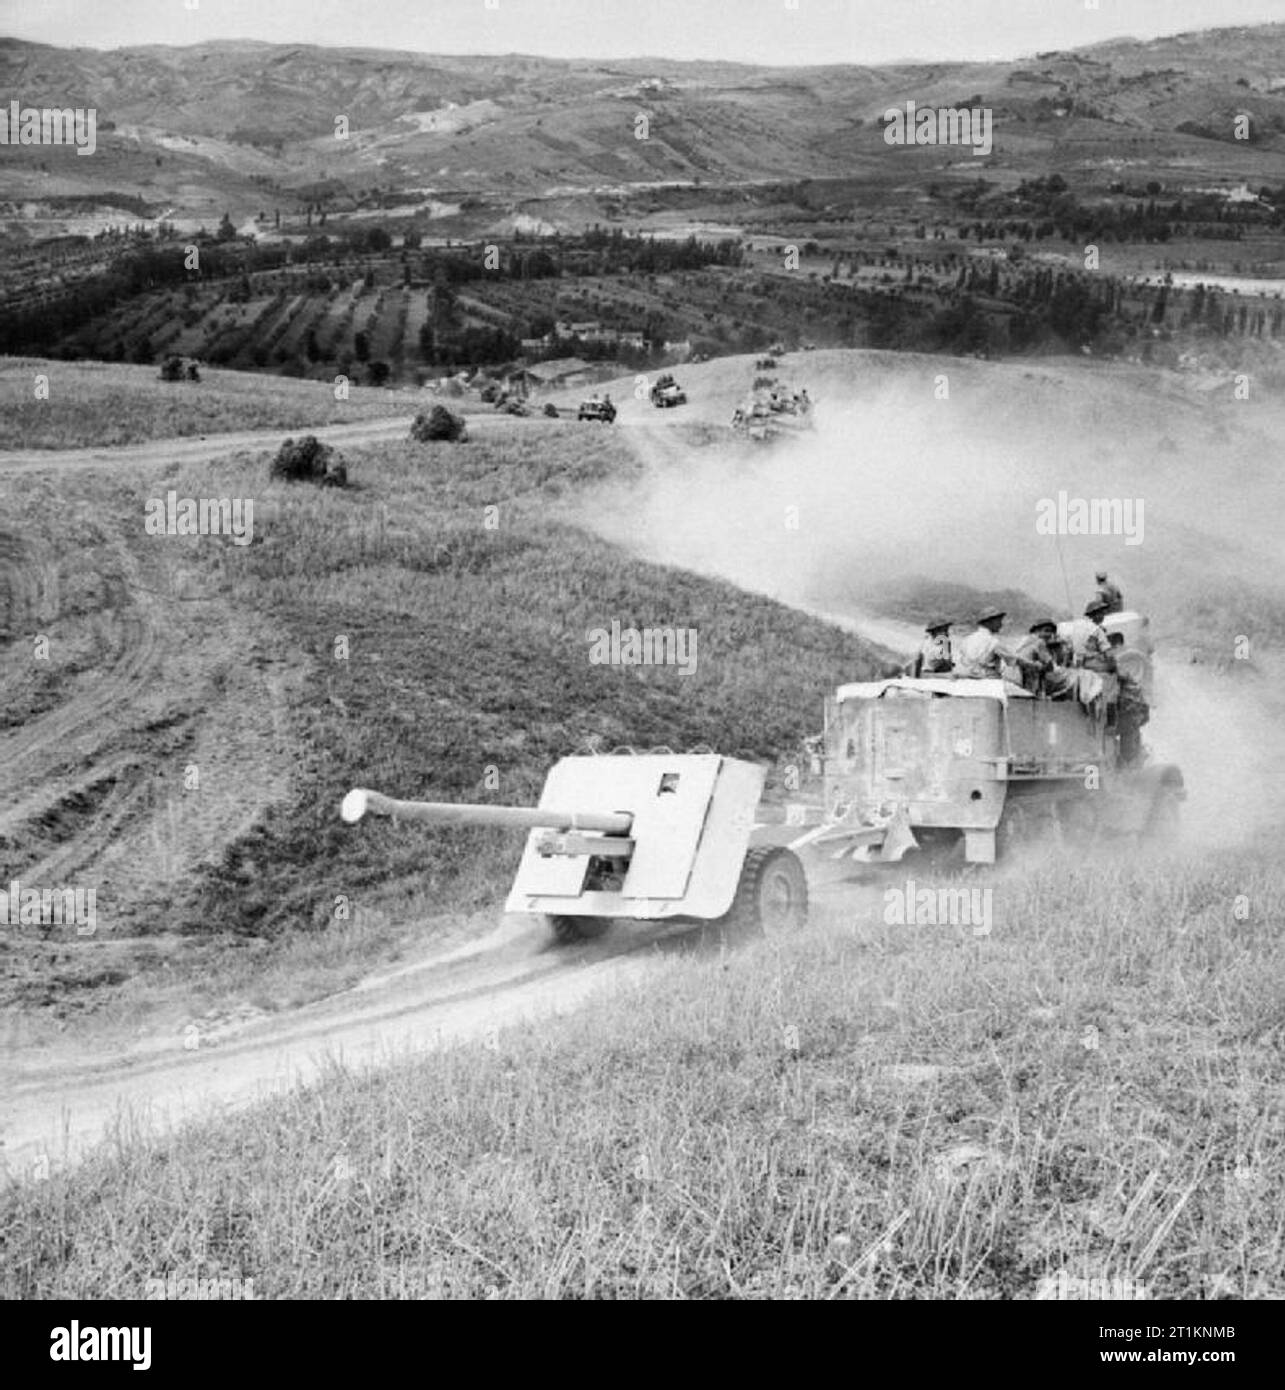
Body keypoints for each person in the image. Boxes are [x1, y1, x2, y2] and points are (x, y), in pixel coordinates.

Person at [1109, 631, 1149, 765]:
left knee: (1128, 733)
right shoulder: (1136, 655)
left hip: (1123, 705)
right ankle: (1130, 763)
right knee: (1131, 731)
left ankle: (1128, 763)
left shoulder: (1113, 658)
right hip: (1132, 704)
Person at [1014, 619, 1073, 698]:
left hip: (1021, 676)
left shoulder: (1025, 641)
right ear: (1037, 631)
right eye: (1046, 631)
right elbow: (1050, 665)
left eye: (1051, 632)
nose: (1049, 634)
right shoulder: (1039, 642)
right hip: (1031, 676)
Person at [953, 607, 1014, 680]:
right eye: (998, 621)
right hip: (987, 679)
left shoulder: (967, 639)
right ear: (991, 622)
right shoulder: (993, 642)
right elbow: (1011, 661)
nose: (1001, 624)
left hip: (966, 678)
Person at [1067, 598, 1117, 675]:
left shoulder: (1079, 626)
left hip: (1077, 663)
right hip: (1090, 663)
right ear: (1096, 615)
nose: (1103, 615)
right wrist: (1113, 664)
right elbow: (1107, 652)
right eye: (1102, 613)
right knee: (1118, 669)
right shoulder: (1097, 630)